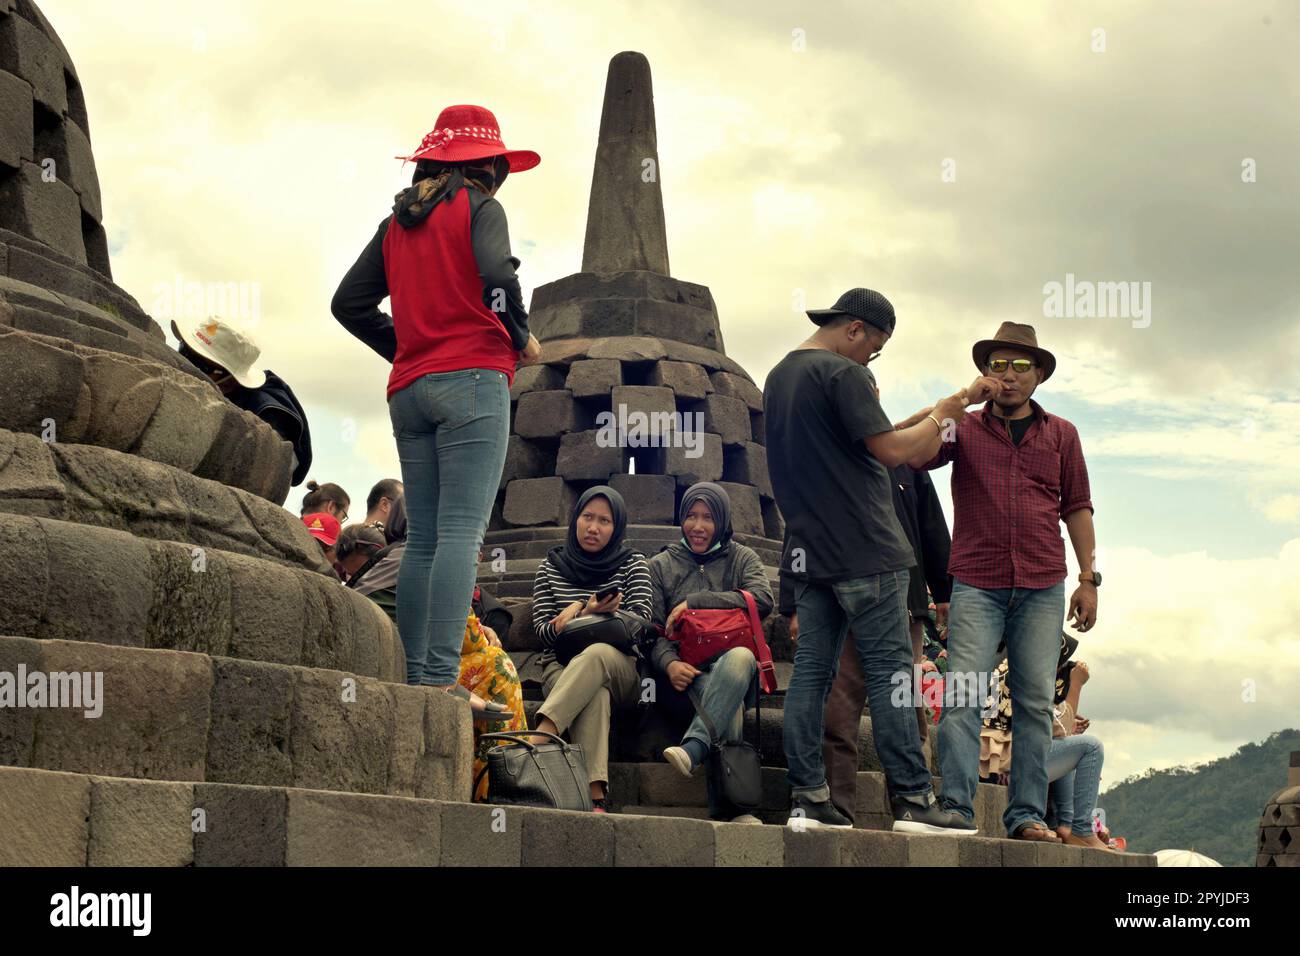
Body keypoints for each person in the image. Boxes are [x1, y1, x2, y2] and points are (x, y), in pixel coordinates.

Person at [331, 104, 543, 714]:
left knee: (421, 537)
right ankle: (440, 676)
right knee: (459, 534)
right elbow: (498, 273)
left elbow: (349, 303)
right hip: (473, 378)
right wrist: (520, 335)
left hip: (409, 389)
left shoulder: (396, 223)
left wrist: (406, 346)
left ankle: (414, 676)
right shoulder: (480, 208)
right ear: (486, 165)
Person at [763, 286, 999, 832]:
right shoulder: (843, 374)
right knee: (894, 676)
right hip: (868, 551)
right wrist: (943, 415)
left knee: (812, 677)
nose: (872, 357)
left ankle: (809, 801)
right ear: (855, 330)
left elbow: (878, 434)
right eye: (876, 347)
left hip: (813, 556)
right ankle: (914, 802)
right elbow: (896, 452)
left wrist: (952, 403)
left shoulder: (781, 376)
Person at [913, 321, 1099, 843]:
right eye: (998, 365)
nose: (1010, 376)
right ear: (985, 371)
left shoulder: (1062, 434)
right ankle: (954, 806)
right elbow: (913, 450)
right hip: (976, 581)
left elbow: (1078, 508)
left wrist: (1089, 580)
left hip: (1043, 584)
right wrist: (961, 399)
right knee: (964, 693)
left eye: (1021, 366)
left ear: (1039, 374)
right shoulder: (964, 427)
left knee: (1036, 703)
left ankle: (1026, 818)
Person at [647, 482, 773, 825]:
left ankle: (694, 749)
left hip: (734, 669)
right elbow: (652, 630)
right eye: (690, 516)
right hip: (684, 679)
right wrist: (669, 663)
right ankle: (734, 810)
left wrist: (696, 602)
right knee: (727, 706)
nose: (698, 526)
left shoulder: (742, 557)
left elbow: (763, 599)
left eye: (707, 517)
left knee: (740, 659)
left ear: (721, 520)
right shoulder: (660, 565)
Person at [530, 486, 654, 811]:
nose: (593, 527)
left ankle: (536, 742)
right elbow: (542, 633)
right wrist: (584, 614)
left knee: (596, 655)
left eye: (604, 521)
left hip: (621, 668)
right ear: (576, 520)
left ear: (617, 528)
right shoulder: (550, 566)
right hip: (560, 668)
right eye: (587, 517)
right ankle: (595, 796)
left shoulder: (633, 564)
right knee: (593, 693)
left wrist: (594, 610)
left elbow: (643, 623)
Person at [980, 637, 1112, 850]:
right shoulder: (1031, 677)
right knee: (1090, 747)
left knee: (1069, 745)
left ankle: (1069, 824)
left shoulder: (1001, 665)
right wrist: (1076, 684)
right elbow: (1063, 727)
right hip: (1007, 763)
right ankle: (1078, 828)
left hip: (992, 755)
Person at [171, 316, 313, 486]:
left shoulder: (268, 417)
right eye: (183, 351)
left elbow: (275, 475)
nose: (184, 364)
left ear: (230, 381)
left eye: (199, 365)